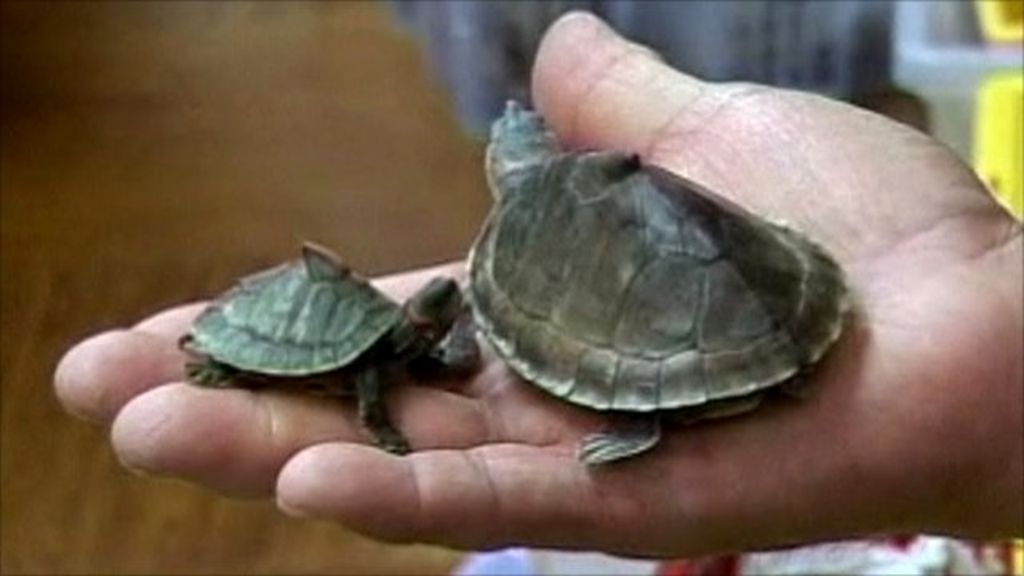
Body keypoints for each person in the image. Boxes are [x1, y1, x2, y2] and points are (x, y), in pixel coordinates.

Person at [54, 12, 1022, 558]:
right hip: (780, 292)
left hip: (698, 322)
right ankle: (657, 404)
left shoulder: (511, 242)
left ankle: (646, 411)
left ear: (510, 169)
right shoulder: (546, 206)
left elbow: (468, 330)